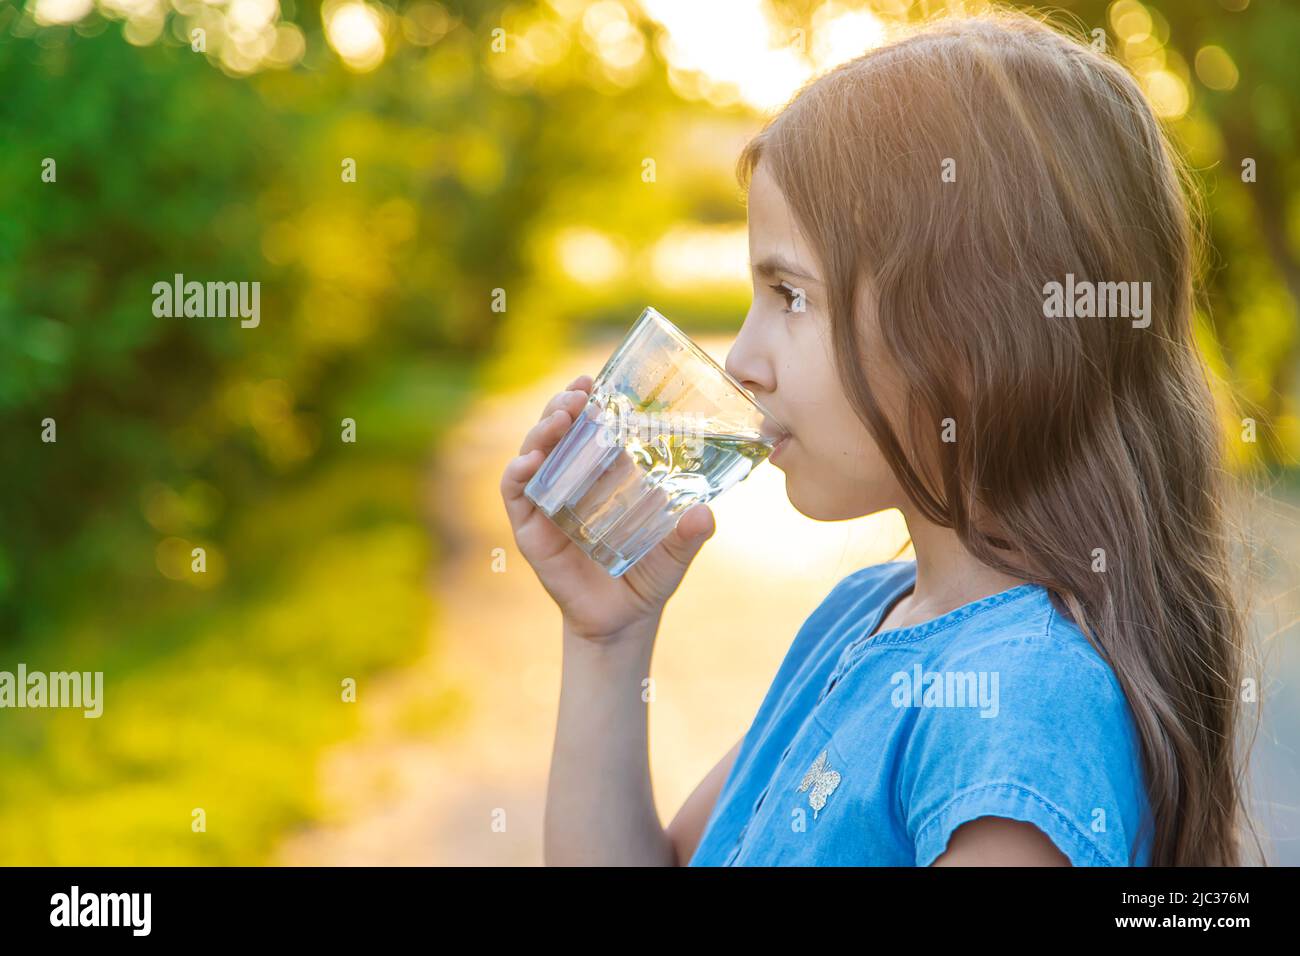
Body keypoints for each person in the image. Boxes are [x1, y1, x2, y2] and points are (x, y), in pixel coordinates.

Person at [500, 10, 1259, 866]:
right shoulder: (863, 616)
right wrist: (607, 639)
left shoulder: (1021, 705)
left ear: (973, 335)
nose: (742, 360)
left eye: (789, 294)